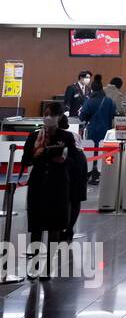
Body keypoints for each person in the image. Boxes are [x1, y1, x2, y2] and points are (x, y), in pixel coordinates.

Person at [19, 103, 76, 262]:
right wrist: (36, 154)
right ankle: (35, 261)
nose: (48, 117)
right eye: (46, 114)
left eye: (51, 115)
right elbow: (25, 161)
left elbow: (73, 161)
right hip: (38, 183)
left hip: (57, 184)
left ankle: (50, 262)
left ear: (59, 117)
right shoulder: (34, 136)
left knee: (54, 225)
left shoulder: (66, 137)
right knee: (36, 224)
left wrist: (63, 160)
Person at [79, 75, 113, 185]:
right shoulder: (108, 101)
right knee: (106, 153)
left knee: (92, 154)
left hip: (93, 131)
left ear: (92, 89)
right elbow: (114, 114)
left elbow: (82, 117)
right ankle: (106, 174)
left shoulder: (90, 101)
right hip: (106, 132)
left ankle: (92, 175)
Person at [60, 112, 88, 241]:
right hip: (79, 162)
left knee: (67, 196)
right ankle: (69, 228)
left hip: (69, 163)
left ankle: (63, 228)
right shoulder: (74, 134)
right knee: (75, 198)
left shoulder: (58, 136)